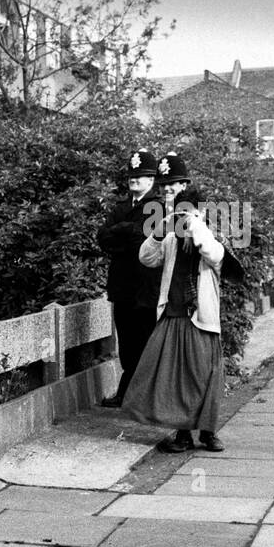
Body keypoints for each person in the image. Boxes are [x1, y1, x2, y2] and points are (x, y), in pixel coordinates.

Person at [122, 152, 227, 453]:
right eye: (165, 186)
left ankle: (208, 431)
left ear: (187, 186)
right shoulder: (167, 226)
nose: (168, 191)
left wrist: (193, 224)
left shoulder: (209, 221)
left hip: (201, 313)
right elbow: (146, 258)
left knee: (203, 373)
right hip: (173, 310)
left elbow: (216, 255)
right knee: (175, 376)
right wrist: (160, 230)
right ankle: (182, 433)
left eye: (175, 185)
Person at [97, 148, 163, 408]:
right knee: (126, 341)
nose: (135, 180)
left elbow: (145, 243)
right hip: (122, 286)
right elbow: (103, 239)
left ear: (151, 180)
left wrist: (123, 231)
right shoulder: (121, 207)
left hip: (146, 286)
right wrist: (127, 233)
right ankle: (128, 390)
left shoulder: (157, 206)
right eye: (132, 176)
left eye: (142, 175)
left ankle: (143, 394)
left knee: (145, 340)